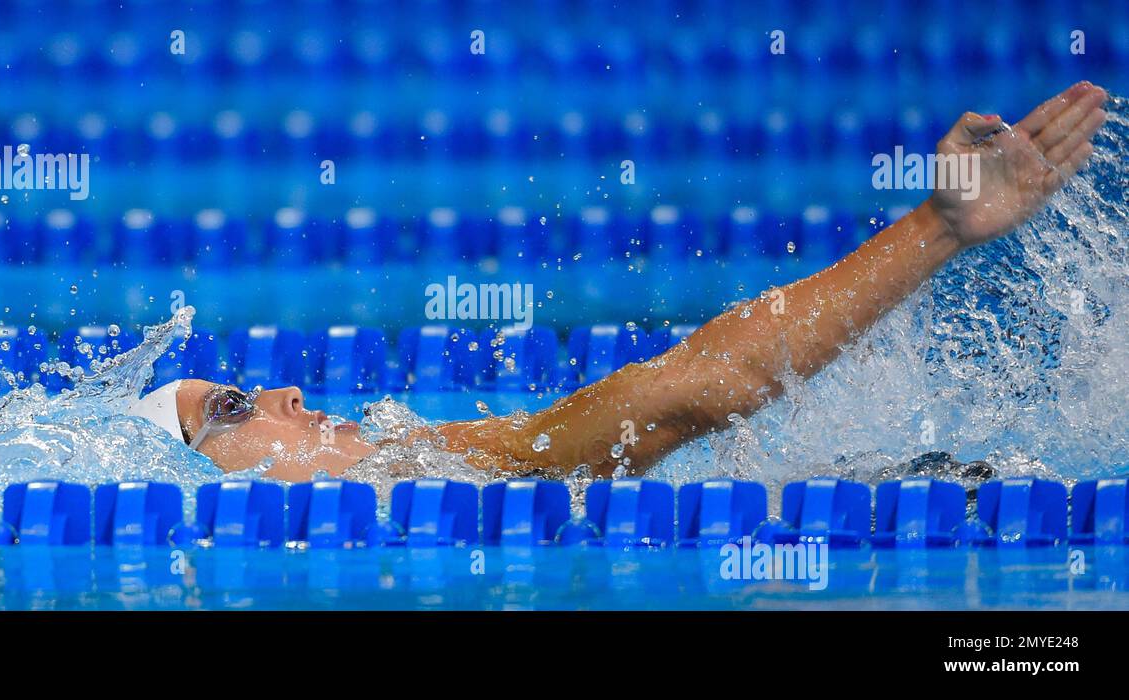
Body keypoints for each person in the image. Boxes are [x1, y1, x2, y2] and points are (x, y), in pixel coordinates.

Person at [128, 82, 1110, 483]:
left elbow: (675, 397)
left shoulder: (417, 463)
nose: (290, 393)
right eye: (235, 405)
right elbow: (679, 392)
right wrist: (934, 229)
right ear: (197, 484)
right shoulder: (401, 484)